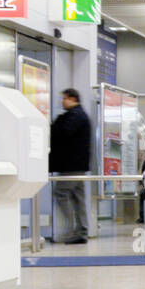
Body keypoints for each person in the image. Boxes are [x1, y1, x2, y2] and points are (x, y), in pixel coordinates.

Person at [49, 87, 91, 245]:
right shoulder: (79, 115)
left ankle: (71, 231)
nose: (62, 101)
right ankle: (81, 231)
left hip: (71, 165)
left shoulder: (74, 116)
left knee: (61, 193)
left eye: (64, 98)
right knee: (77, 198)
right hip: (77, 165)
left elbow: (62, 134)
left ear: (73, 99)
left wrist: (55, 124)